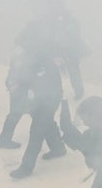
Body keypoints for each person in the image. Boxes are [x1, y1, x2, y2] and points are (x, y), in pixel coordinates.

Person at [10, 50, 67, 178]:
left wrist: (35, 93)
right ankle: (58, 149)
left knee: (36, 132)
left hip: (48, 103)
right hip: (36, 103)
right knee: (47, 125)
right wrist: (18, 84)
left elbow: (50, 87)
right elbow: (28, 78)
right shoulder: (32, 63)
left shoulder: (48, 67)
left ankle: (26, 168)